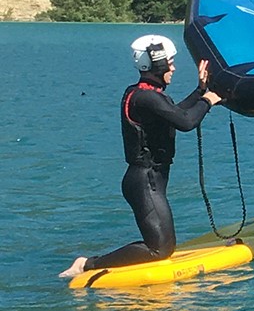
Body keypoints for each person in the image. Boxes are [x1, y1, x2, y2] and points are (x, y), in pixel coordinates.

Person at [62, 34, 222, 280]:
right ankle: (87, 265)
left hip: (150, 181)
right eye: (170, 62)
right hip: (144, 182)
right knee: (160, 250)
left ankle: (98, 263)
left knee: (161, 246)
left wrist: (201, 91)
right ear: (156, 63)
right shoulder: (145, 97)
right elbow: (186, 121)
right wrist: (208, 101)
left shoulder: (144, 94)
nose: (173, 67)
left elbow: (175, 112)